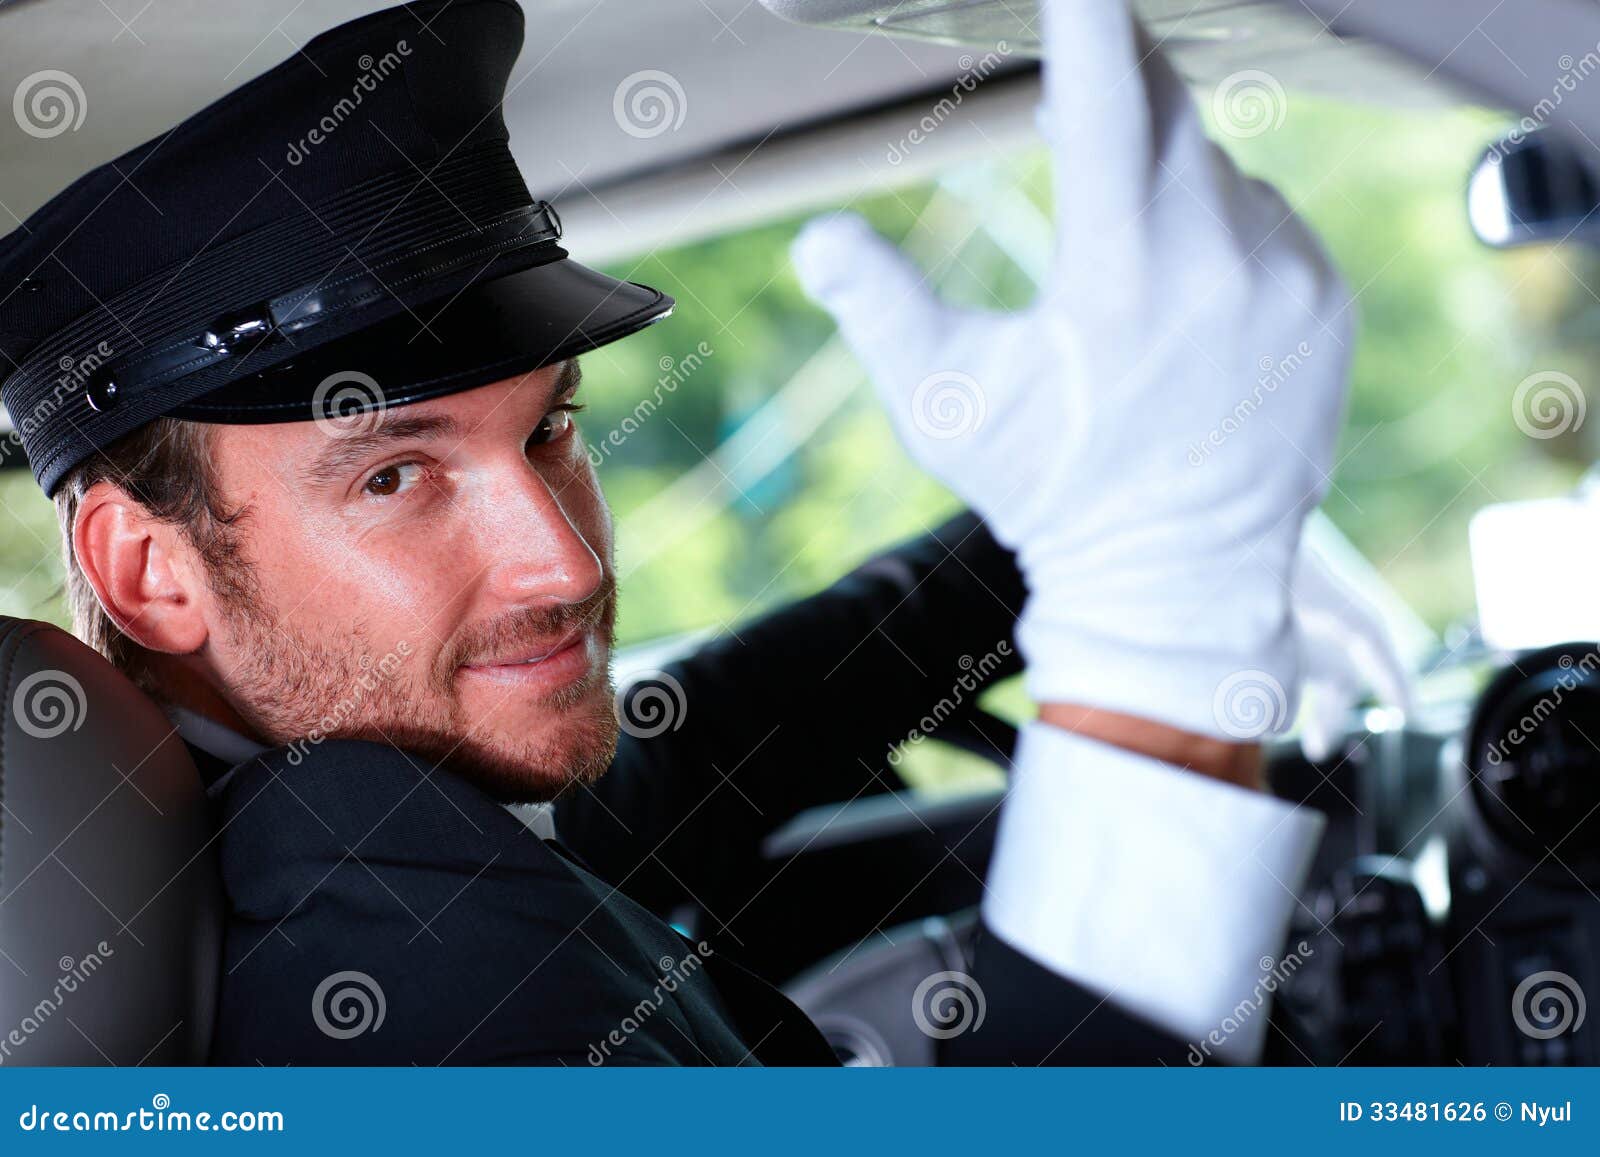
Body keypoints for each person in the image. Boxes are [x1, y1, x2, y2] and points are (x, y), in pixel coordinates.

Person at [0, 0, 1364, 1064]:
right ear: (146, 567)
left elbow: (705, 738)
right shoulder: (417, 1005)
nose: (568, 560)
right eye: (394, 477)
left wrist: (1057, 530)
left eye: (548, 431)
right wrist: (1160, 621)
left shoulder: (354, 802)